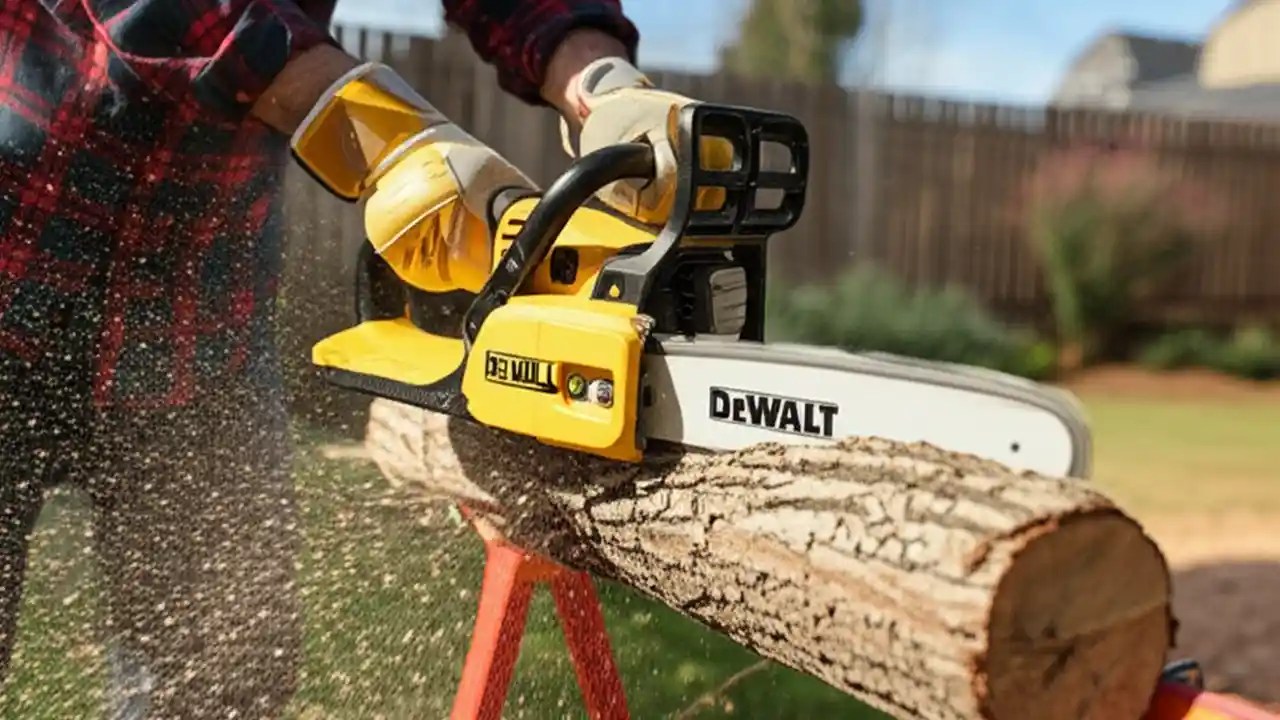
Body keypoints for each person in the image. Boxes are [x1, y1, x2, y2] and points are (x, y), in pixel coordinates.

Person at [0, 1, 707, 717]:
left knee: (222, 688)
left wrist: (605, 82)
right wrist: (383, 133)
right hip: (16, 252)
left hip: (194, 323)